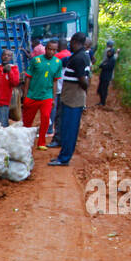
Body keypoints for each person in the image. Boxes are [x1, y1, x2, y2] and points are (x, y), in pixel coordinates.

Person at [49, 31, 91, 167]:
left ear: (74, 42)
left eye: (70, 43)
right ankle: (63, 155)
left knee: (69, 129)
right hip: (71, 98)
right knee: (67, 128)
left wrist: (84, 87)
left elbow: (84, 81)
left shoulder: (79, 58)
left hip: (73, 100)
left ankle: (64, 158)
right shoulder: (79, 56)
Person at [21, 42, 62, 149]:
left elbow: (55, 81)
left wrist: (53, 98)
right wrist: (25, 95)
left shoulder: (58, 62)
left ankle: (41, 142)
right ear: (46, 49)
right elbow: (28, 78)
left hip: (47, 96)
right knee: (27, 121)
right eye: (49, 49)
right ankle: (25, 141)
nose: (51, 52)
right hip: (32, 95)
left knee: (45, 117)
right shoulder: (36, 60)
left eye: (54, 50)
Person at [50, 39, 71, 147]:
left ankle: (54, 134)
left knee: (56, 112)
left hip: (58, 89)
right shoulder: (70, 55)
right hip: (67, 90)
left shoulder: (57, 57)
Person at [96, 39, 119, 106]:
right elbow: (102, 65)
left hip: (106, 76)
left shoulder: (111, 59)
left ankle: (102, 102)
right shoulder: (109, 56)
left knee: (104, 89)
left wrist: (103, 65)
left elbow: (105, 66)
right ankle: (102, 101)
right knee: (102, 88)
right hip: (105, 75)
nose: (108, 53)